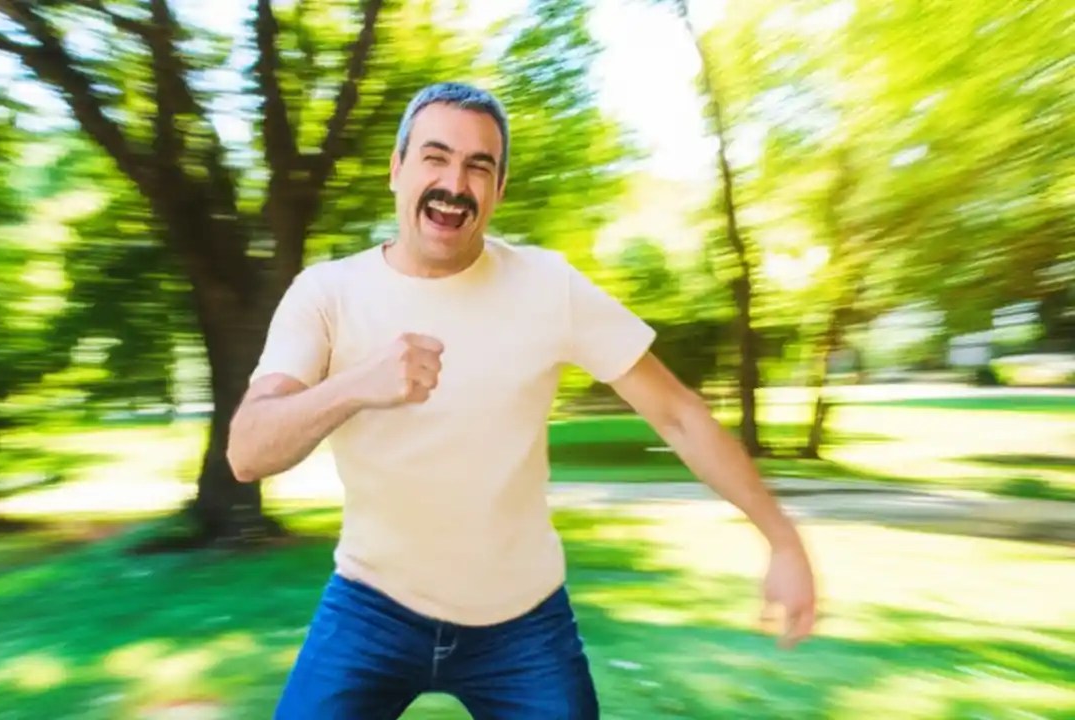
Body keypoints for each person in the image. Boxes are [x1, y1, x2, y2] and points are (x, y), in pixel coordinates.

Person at [226, 81, 817, 719]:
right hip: (371, 607)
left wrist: (783, 541)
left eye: (479, 166)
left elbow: (677, 414)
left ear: (498, 189)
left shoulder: (548, 287)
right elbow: (248, 452)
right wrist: (355, 385)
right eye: (435, 156)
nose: (455, 182)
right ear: (396, 170)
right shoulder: (327, 294)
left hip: (521, 622)